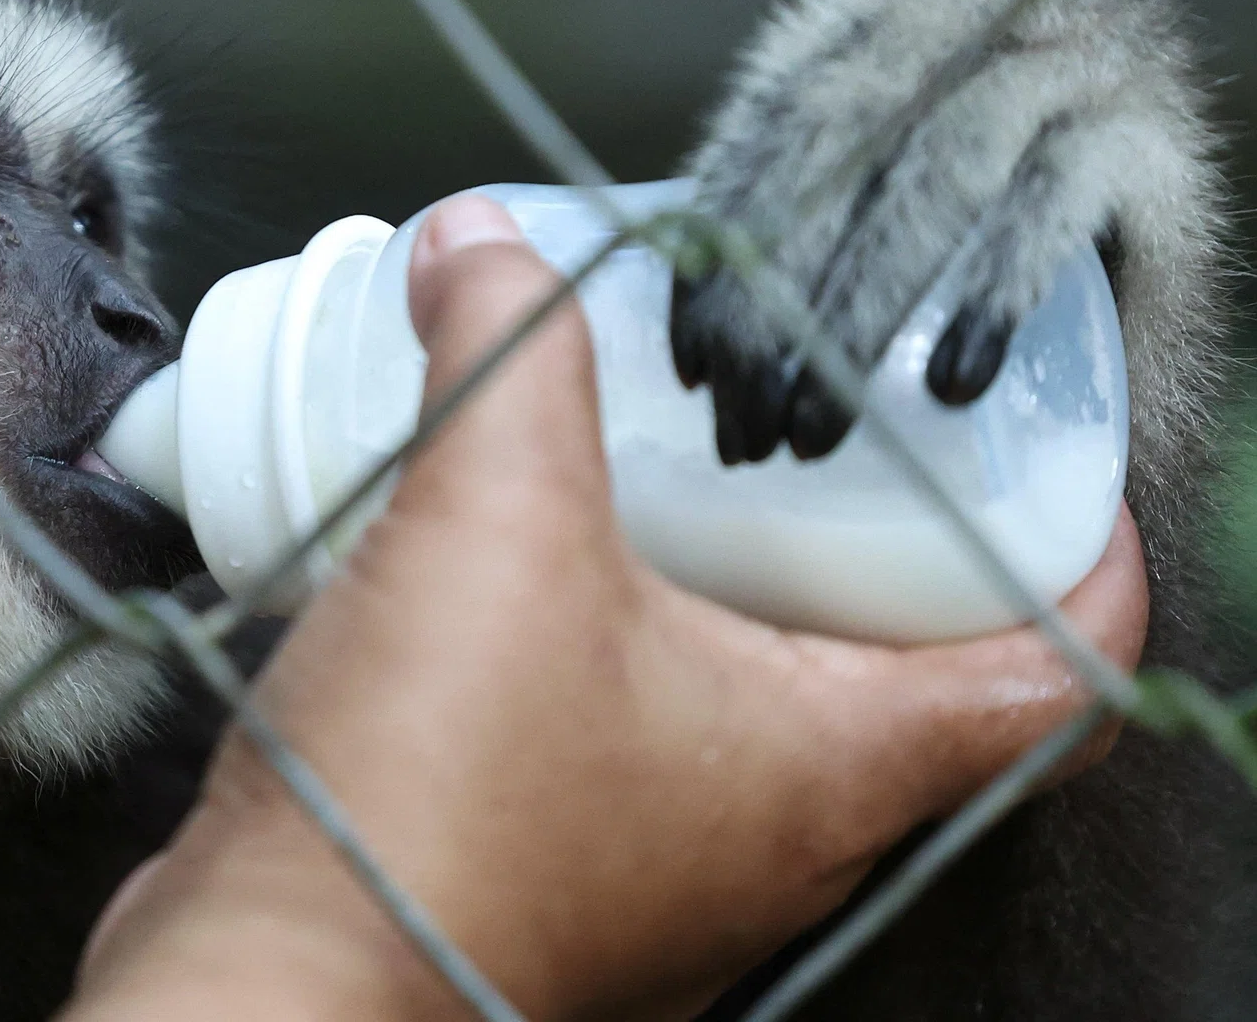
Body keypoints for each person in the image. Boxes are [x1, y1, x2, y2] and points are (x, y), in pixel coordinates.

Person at [61, 195, 1149, 1022]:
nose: (125, 314)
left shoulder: (266, 721)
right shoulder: (306, 746)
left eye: (88, 213)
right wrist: (333, 922)